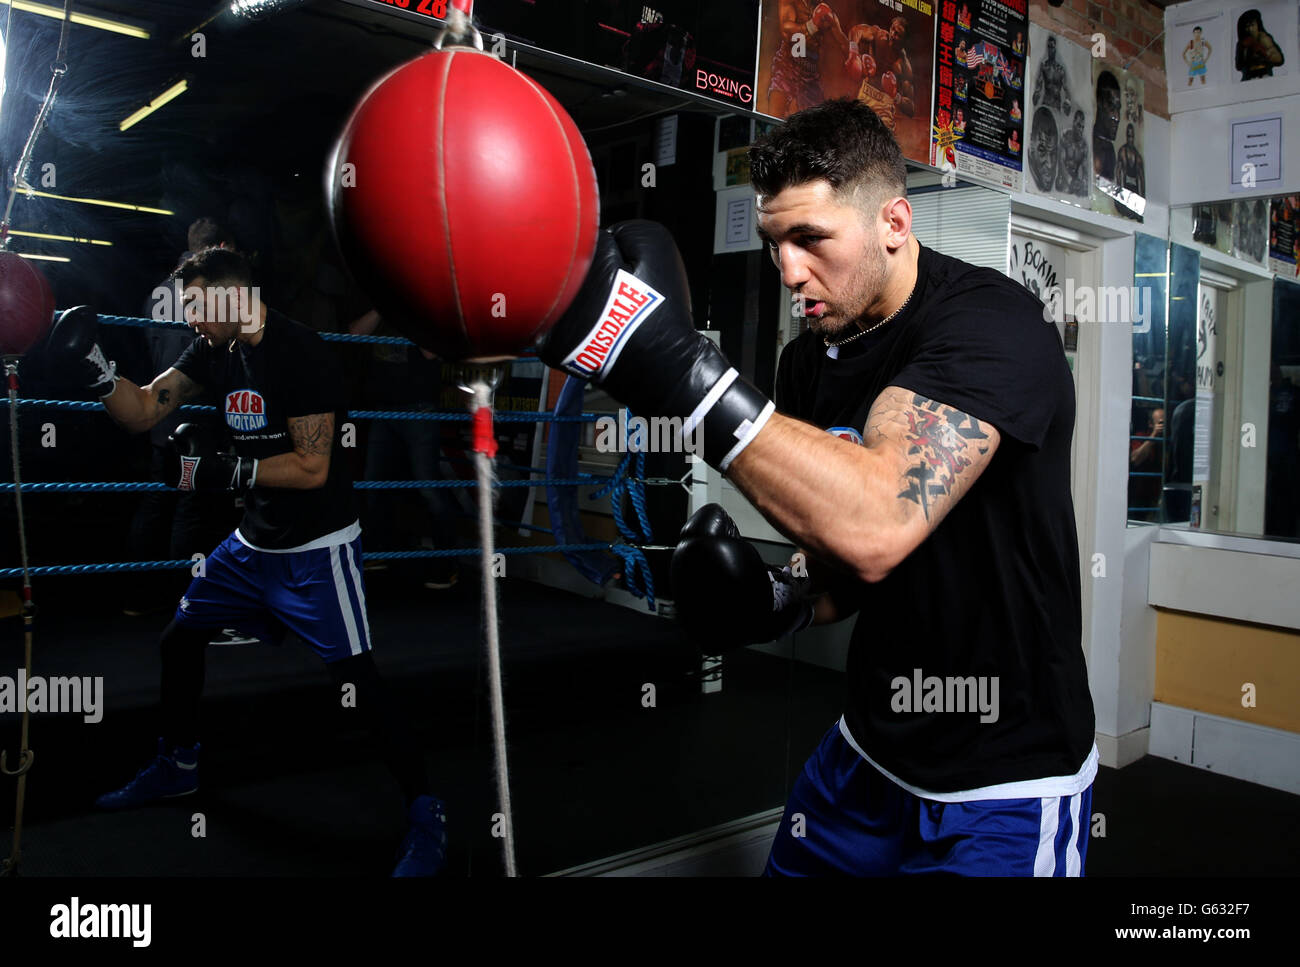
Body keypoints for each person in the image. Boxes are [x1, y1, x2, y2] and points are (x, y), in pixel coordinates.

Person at [535, 97, 1096, 875]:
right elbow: (846, 561)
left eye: (811, 239)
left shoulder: (993, 328)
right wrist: (779, 597)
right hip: (869, 748)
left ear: (894, 223)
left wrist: (672, 367)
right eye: (774, 242)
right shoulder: (810, 361)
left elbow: (876, 522)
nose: (790, 271)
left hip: (1004, 778)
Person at [47, 248, 447, 877]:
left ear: (235, 297)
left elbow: (313, 470)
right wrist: (96, 371)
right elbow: (145, 411)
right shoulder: (214, 349)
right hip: (250, 547)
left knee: (360, 682)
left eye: (199, 309)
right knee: (179, 640)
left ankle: (426, 813)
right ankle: (178, 765)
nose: (191, 324)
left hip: (317, 551)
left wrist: (224, 469)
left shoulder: (302, 353)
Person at [124, 217, 246, 641]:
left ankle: (140, 594)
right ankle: (188, 603)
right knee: (193, 510)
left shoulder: (159, 289)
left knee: (159, 502)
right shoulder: (211, 295)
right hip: (198, 413)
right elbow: (213, 352)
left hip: (161, 410)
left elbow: (148, 344)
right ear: (222, 249)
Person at [351, 309, 460, 589]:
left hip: (419, 409)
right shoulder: (381, 310)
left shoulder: (421, 304)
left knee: (428, 487)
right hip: (383, 410)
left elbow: (430, 352)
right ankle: (379, 551)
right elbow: (354, 334)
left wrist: (405, 306)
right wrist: (380, 305)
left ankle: (447, 563)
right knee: (373, 484)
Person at [1129, 407, 1164, 522]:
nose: (1163, 426)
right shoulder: (1141, 436)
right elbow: (1135, 459)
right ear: (1150, 424)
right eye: (1160, 422)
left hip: (1156, 496)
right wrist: (1154, 435)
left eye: (1165, 422)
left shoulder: (1168, 440)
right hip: (1138, 495)